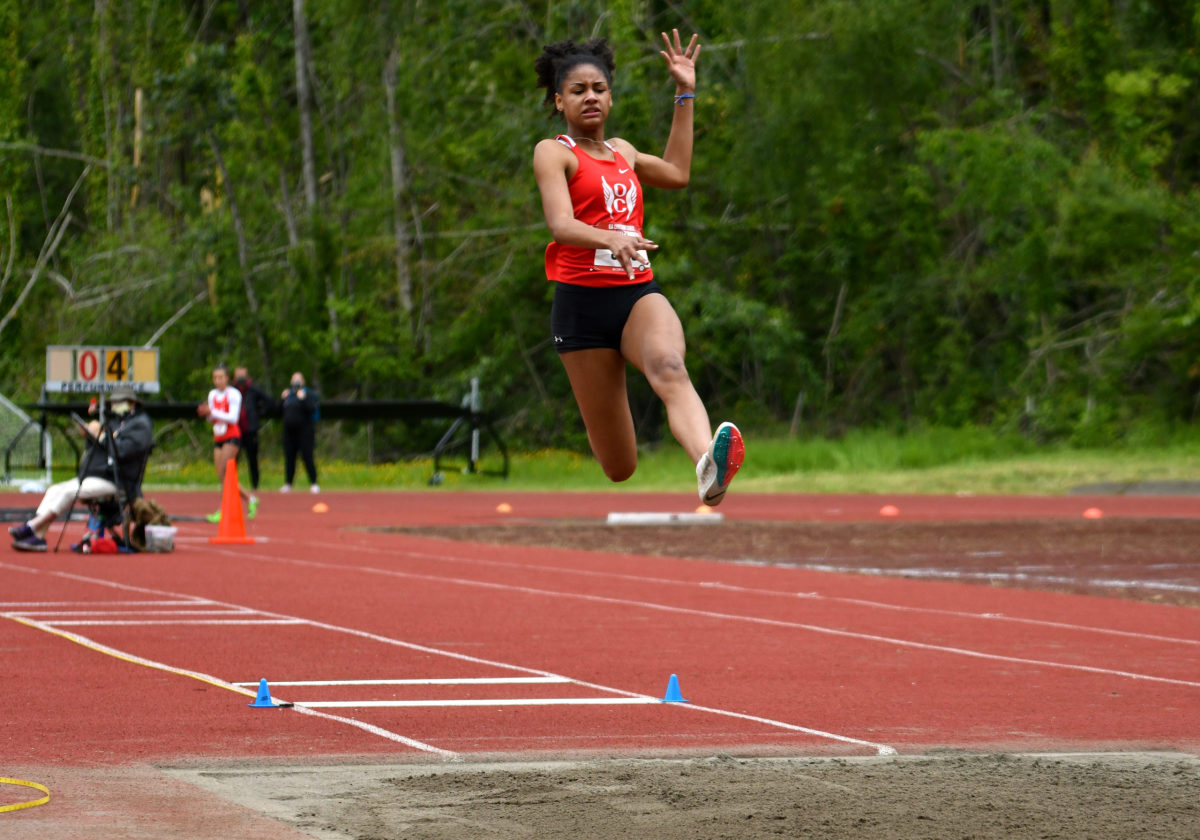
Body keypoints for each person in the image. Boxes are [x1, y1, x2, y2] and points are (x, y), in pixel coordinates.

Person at [532, 30, 744, 506]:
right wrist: (609, 236)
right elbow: (561, 225)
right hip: (581, 310)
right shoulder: (555, 152)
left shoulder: (624, 152)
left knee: (669, 365)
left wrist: (684, 92)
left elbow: (678, 172)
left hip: (635, 295)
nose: (591, 98)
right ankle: (606, 426)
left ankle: (708, 466)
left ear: (611, 96)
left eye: (599, 89)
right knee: (619, 465)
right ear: (558, 101)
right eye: (578, 91)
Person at [9, 388, 153, 552]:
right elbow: (100, 448)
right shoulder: (115, 422)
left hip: (119, 481)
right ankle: (38, 537)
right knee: (54, 489)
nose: (114, 405)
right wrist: (89, 434)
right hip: (97, 474)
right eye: (112, 402)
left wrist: (102, 437)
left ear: (132, 403)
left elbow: (123, 452)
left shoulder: (141, 425)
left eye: (118, 402)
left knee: (70, 492)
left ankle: (30, 527)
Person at [197, 363, 254, 521]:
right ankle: (250, 499)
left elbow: (233, 417)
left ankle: (223, 510)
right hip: (218, 437)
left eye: (221, 377)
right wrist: (206, 414)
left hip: (232, 437)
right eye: (215, 377)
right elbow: (212, 419)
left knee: (224, 472)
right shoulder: (212, 394)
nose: (217, 380)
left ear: (227, 378)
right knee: (223, 475)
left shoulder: (233, 394)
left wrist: (212, 412)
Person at [233, 366, 273, 498]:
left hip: (250, 430)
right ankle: (231, 485)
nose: (241, 378)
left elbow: (269, 401)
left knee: (252, 458)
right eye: (238, 376)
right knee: (233, 460)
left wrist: (259, 413)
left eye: (243, 375)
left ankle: (255, 485)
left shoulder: (254, 389)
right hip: (235, 430)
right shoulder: (232, 391)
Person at [278, 371, 319, 493]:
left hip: (305, 432)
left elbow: (312, 409)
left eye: (298, 379)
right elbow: (278, 411)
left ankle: (313, 483)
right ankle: (288, 483)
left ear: (303, 382)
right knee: (289, 458)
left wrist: (303, 399)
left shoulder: (308, 395)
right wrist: (282, 399)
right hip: (289, 433)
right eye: (294, 379)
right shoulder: (287, 396)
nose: (296, 382)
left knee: (307, 457)